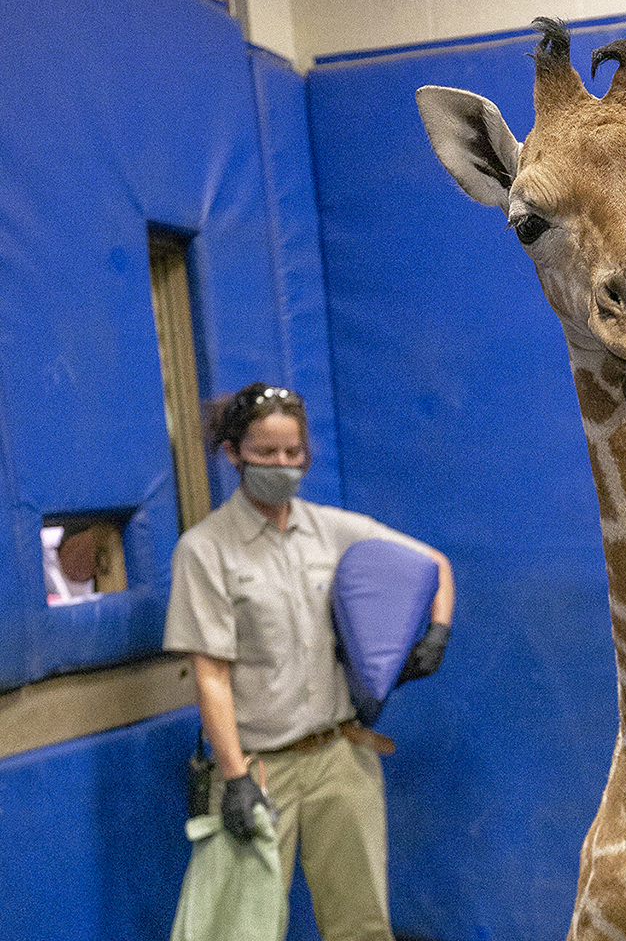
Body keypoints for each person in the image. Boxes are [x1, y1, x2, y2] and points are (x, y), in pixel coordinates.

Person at [163, 382, 455, 941]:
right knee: (238, 931)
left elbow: (434, 564)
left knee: (362, 926)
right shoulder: (205, 549)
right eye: (265, 452)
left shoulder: (332, 530)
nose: (281, 464)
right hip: (258, 768)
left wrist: (436, 633)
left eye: (292, 453)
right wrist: (235, 777)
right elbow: (211, 675)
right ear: (233, 454)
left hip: (341, 758)